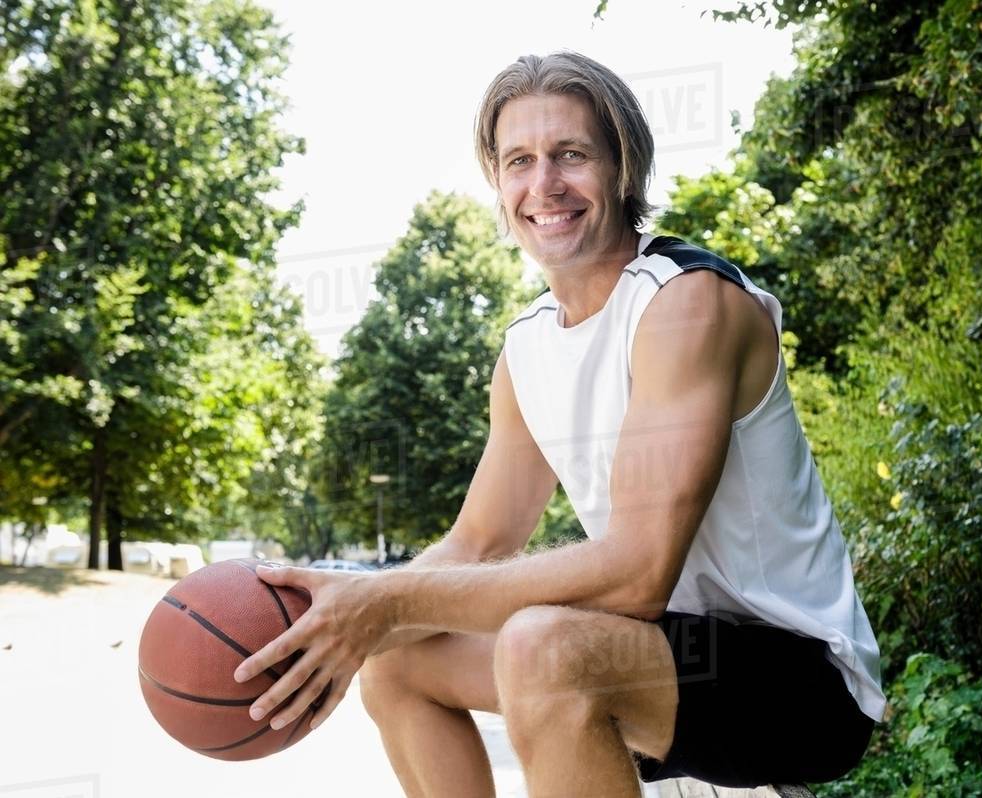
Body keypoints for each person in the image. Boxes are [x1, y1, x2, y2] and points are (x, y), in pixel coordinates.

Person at [233, 51, 885, 796]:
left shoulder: (685, 304)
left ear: (622, 168)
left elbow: (639, 572)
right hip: (657, 656)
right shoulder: (527, 350)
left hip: (799, 678)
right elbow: (477, 542)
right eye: (519, 161)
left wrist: (386, 600)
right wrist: (343, 623)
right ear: (497, 183)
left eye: (570, 155)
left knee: (541, 648)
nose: (543, 186)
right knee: (397, 660)